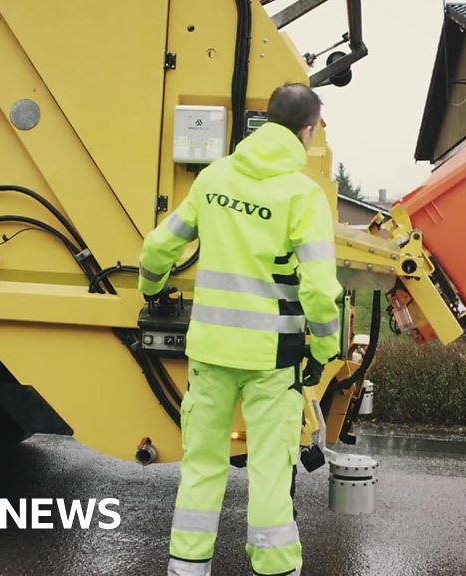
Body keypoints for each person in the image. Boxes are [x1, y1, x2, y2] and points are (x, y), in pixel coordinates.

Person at [139, 82, 343, 576]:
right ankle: (275, 569)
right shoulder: (303, 195)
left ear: (266, 121)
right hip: (272, 359)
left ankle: (187, 569)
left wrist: (152, 287)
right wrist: (324, 348)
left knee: (202, 467)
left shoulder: (214, 178)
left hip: (210, 352)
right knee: (269, 470)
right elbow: (320, 289)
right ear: (307, 131)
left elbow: (159, 247)